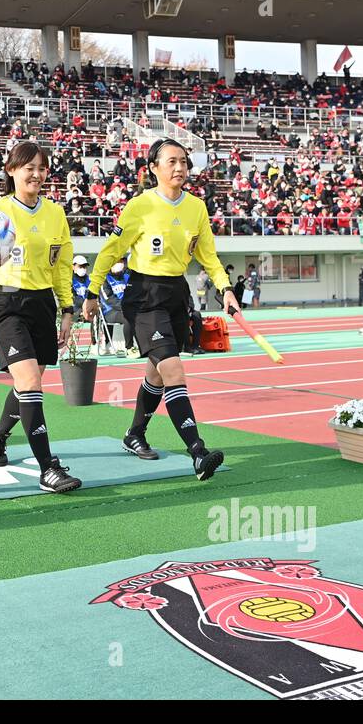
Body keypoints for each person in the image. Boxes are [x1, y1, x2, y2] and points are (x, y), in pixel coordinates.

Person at [82, 138, 234, 480]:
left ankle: (134, 434)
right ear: (153, 168)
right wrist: (92, 291)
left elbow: (207, 255)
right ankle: (197, 451)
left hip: (177, 294)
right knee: (174, 371)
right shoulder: (140, 206)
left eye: (184, 161)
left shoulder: (196, 207)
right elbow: (110, 251)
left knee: (157, 375)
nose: (179, 167)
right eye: (171, 162)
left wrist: (224, 288)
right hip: (145, 296)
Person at [0, 141, 80, 493]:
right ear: (12, 170)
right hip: (7, 303)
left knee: (26, 383)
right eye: (28, 167)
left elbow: (61, 265)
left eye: (41, 168)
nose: (36, 174)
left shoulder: (55, 214)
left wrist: (67, 308)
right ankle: (47, 468)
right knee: (30, 382)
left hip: (42, 304)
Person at [98, 258, 131, 354]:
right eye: (117, 262)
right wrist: (126, 307)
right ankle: (129, 347)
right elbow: (109, 299)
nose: (119, 264)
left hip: (126, 308)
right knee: (128, 317)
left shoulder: (126, 277)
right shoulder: (104, 279)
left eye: (121, 262)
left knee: (142, 315)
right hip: (109, 311)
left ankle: (142, 345)